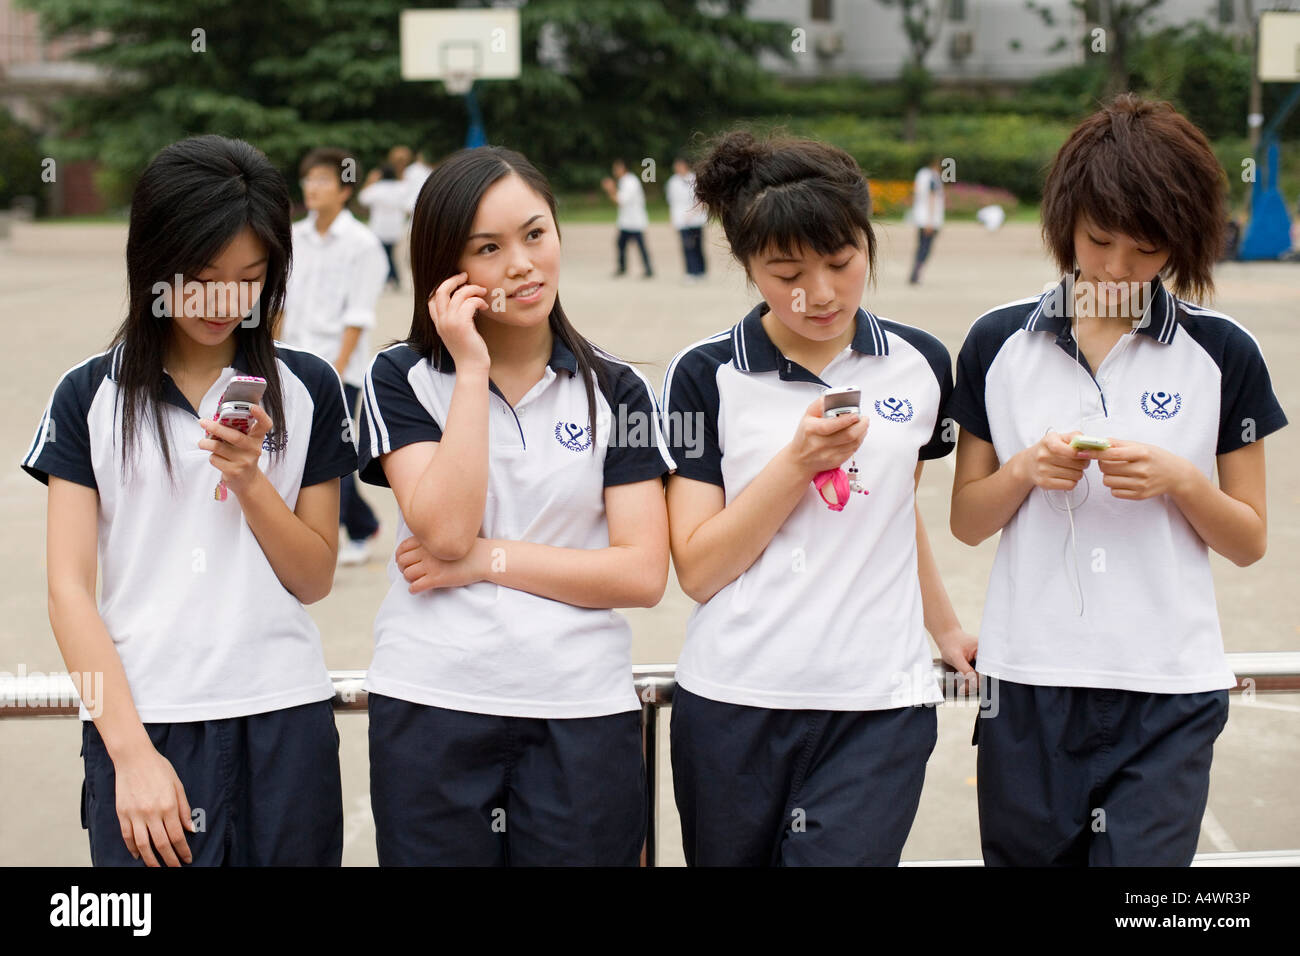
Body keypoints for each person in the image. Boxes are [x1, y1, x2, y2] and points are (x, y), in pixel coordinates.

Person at [947, 95, 1288, 866]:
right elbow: (967, 519)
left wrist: (1180, 481)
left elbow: (1251, 540)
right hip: (1028, 683)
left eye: (1146, 249)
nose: (1115, 269)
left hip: (1168, 685)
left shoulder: (1223, 353)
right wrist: (1028, 469)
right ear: (1065, 219)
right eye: (1099, 240)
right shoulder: (999, 342)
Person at [21, 135, 358, 866]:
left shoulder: (307, 390)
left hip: (284, 722)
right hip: (148, 725)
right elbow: (68, 592)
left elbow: (315, 577)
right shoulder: (89, 395)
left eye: (251, 278)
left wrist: (249, 478)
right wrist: (131, 754)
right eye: (201, 277)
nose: (225, 302)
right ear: (152, 265)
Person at [661, 130, 976, 867]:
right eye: (787, 272)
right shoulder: (705, 375)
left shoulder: (922, 363)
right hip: (736, 702)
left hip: (878, 706)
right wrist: (795, 465)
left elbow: (896, 512)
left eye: (842, 262)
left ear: (868, 243)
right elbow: (700, 569)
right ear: (746, 266)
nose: (822, 293)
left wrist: (947, 627)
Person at [356, 145, 675, 866]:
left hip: (579, 712)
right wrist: (470, 368)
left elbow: (641, 575)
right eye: (489, 249)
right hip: (432, 705)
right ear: (449, 270)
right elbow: (440, 530)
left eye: (536, 234)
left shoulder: (620, 393)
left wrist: (484, 561)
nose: (524, 264)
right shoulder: (401, 376)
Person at [281, 147, 389, 565]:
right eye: (309, 179)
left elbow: (358, 314)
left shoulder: (363, 245)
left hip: (338, 368)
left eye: (323, 180)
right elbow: (281, 304)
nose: (312, 187)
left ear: (346, 190)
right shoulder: (293, 237)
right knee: (298, 451)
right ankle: (364, 523)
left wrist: (337, 369)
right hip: (294, 360)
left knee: (333, 455)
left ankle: (321, 542)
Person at [359, 162, 409, 290]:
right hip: (396, 228)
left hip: (379, 228)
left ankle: (389, 278)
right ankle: (393, 277)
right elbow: (409, 205)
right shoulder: (401, 188)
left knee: (384, 255)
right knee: (390, 254)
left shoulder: (376, 188)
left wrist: (370, 181)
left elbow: (362, 198)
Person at [601, 158, 653, 278]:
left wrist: (610, 189)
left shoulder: (630, 182)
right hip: (626, 221)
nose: (614, 171)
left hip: (634, 221)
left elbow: (620, 201)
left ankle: (648, 269)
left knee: (640, 245)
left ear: (623, 168)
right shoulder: (624, 181)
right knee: (621, 244)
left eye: (616, 168)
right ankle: (623, 267)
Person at [666, 157, 707, 281]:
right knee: (687, 246)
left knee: (698, 245)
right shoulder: (672, 182)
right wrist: (673, 219)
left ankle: (701, 270)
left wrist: (693, 213)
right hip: (681, 219)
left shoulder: (694, 179)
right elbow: (672, 202)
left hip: (696, 218)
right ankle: (691, 271)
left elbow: (701, 199)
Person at [909, 155, 945, 285]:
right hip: (929, 220)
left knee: (920, 247)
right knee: (925, 248)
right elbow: (932, 197)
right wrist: (930, 220)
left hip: (920, 218)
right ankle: (917, 274)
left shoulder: (921, 175)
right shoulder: (933, 177)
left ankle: (914, 273)